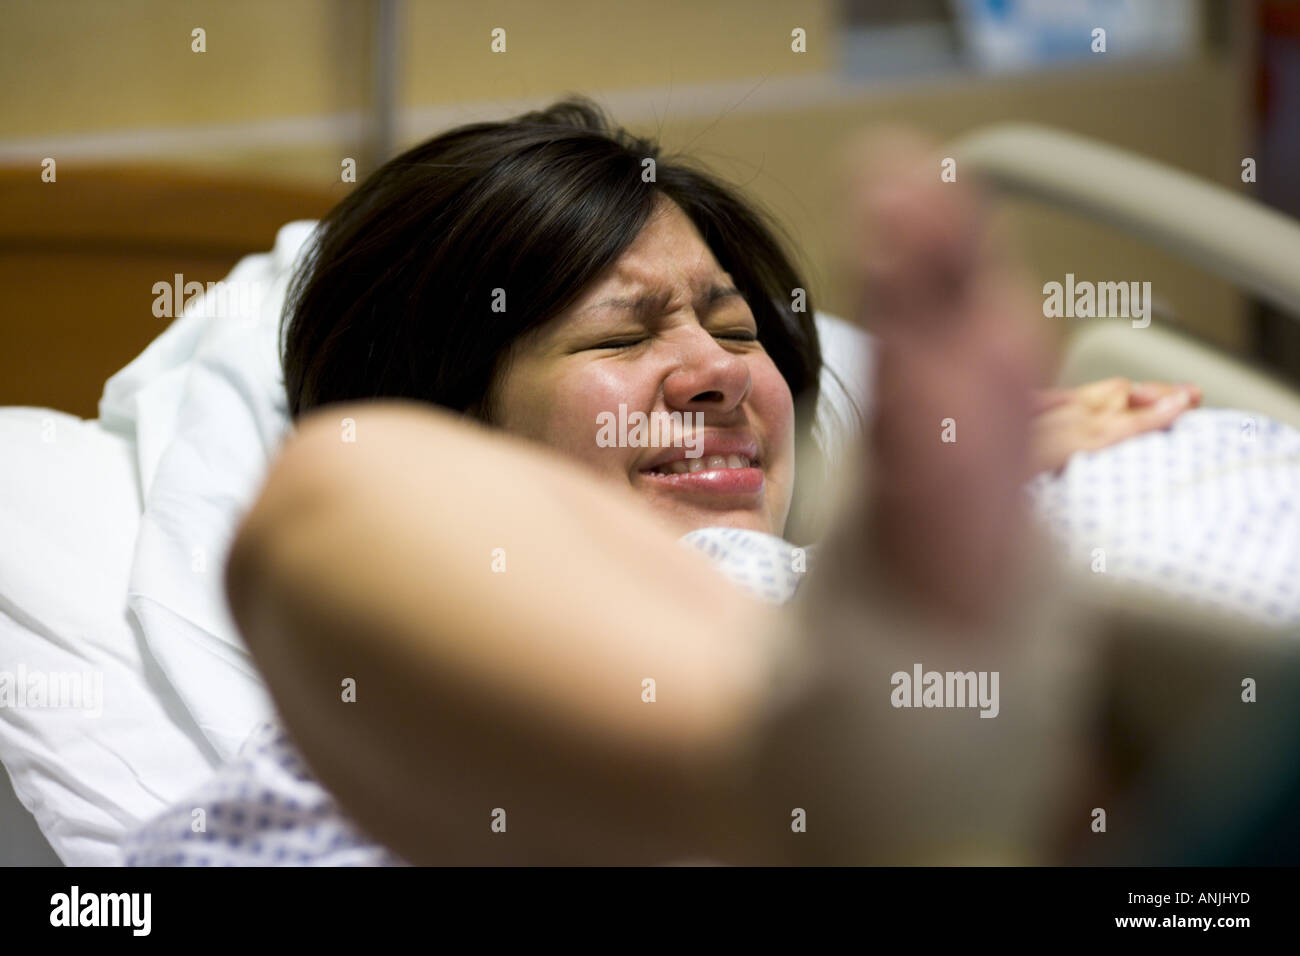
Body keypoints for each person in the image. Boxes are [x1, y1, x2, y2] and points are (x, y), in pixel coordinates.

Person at [123, 98, 1266, 867]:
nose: (722, 368)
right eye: (619, 338)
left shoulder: (988, 520)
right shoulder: (368, 717)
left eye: (734, 326)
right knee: (327, 491)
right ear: (451, 423)